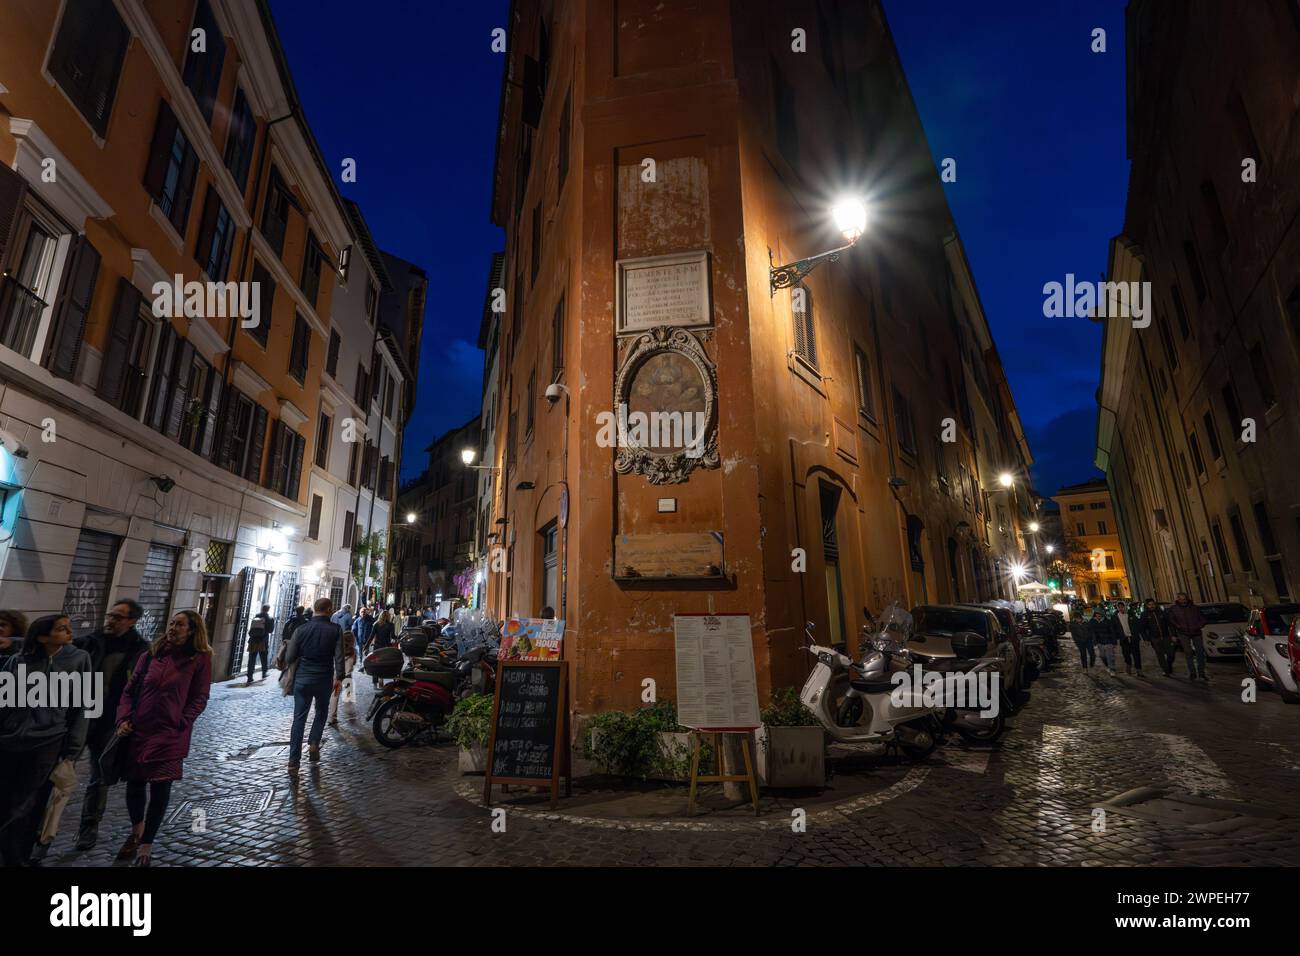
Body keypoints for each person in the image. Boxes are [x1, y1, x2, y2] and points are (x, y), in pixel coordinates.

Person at [112, 610, 212, 866]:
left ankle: (146, 845)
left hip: (170, 735)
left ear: (192, 630)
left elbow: (200, 697)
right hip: (139, 731)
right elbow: (129, 691)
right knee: (134, 785)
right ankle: (137, 830)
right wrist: (123, 719)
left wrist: (180, 721)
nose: (173, 628)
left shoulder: (199, 659)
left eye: (179, 625)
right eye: (171, 623)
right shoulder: (150, 656)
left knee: (160, 789)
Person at [52, 600, 150, 855]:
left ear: (132, 621)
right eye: (111, 615)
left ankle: (88, 829)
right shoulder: (91, 641)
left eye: (119, 617)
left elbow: (140, 688)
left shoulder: (140, 650)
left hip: (109, 720)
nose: (111, 620)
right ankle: (43, 829)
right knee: (57, 770)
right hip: (78, 716)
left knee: (99, 777)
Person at [0, 615, 91, 867]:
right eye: (62, 629)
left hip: (48, 741)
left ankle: (17, 857)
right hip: (9, 741)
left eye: (68, 628)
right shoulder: (18, 661)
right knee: (6, 798)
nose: (69, 632)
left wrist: (73, 751)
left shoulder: (79, 660)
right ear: (42, 636)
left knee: (29, 802)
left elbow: (84, 707)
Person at [284, 598, 346, 772]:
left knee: (299, 718)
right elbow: (339, 657)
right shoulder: (335, 630)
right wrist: (339, 677)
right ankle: (314, 743)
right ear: (328, 610)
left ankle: (293, 760)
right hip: (324, 678)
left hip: (303, 678)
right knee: (321, 712)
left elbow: (289, 658)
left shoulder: (301, 629)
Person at [1166, 592, 1208, 681]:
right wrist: (1176, 631)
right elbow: (1171, 622)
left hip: (1196, 632)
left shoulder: (1194, 608)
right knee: (1188, 653)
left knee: (1200, 652)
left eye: (1184, 599)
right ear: (1178, 599)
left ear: (1187, 598)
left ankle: (1201, 673)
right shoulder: (1174, 609)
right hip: (1183, 633)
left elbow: (1203, 618)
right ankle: (1192, 673)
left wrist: (1199, 625)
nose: (1183, 601)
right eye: (1181, 599)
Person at [1139, 598, 1174, 677]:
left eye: (1153, 604)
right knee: (1160, 654)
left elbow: (1169, 623)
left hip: (1166, 636)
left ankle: (1168, 666)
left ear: (1155, 604)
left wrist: (1173, 634)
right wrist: (1146, 639)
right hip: (1154, 638)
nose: (1151, 606)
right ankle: (1165, 670)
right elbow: (1142, 628)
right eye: (1149, 605)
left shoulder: (1161, 612)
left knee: (1171, 653)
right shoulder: (1144, 615)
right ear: (1147, 606)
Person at [245, 604, 274, 684]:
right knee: (263, 657)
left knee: (252, 658)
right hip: (262, 641)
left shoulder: (256, 616)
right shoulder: (270, 618)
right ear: (268, 609)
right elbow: (270, 630)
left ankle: (250, 676)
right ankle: (264, 673)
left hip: (253, 640)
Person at [1114, 601, 1143, 675]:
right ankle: (1128, 666)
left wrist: (1141, 636)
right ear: (1117, 608)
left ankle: (1138, 669)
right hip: (1124, 638)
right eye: (1119, 607)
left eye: (1122, 607)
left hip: (1133, 637)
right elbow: (1113, 628)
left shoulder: (1131, 614)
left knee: (1136, 654)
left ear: (1125, 607)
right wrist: (1116, 637)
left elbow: (1138, 625)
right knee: (1126, 654)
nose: (1121, 608)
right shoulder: (1115, 617)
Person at [1089, 606, 1119, 675]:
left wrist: (1114, 642)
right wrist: (1094, 642)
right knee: (1102, 656)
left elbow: (1112, 631)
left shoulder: (1107, 621)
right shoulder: (1092, 622)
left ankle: (1112, 669)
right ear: (1095, 614)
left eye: (1100, 613)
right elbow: (1091, 632)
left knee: (1110, 656)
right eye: (1097, 613)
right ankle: (1108, 666)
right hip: (1100, 642)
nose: (1098, 615)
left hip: (1109, 641)